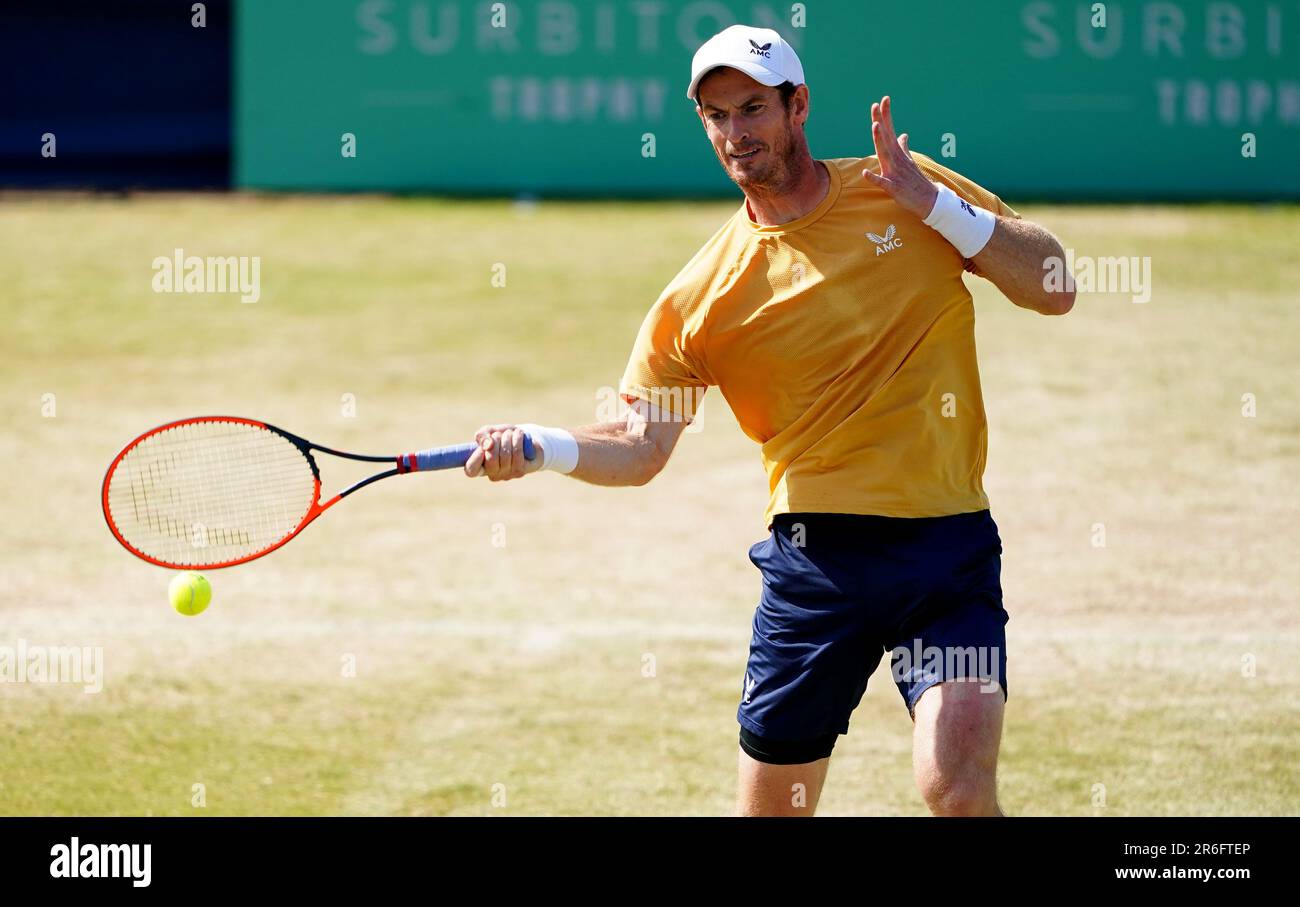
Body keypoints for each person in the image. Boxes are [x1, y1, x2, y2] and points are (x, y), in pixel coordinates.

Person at [465, 24, 1074, 817]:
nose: (734, 132)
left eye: (751, 108)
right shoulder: (700, 299)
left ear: (799, 106)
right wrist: (540, 446)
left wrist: (937, 208)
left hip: (945, 552)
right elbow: (639, 446)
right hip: (814, 568)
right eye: (715, 115)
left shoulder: (905, 189)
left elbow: (1055, 282)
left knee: (956, 788)